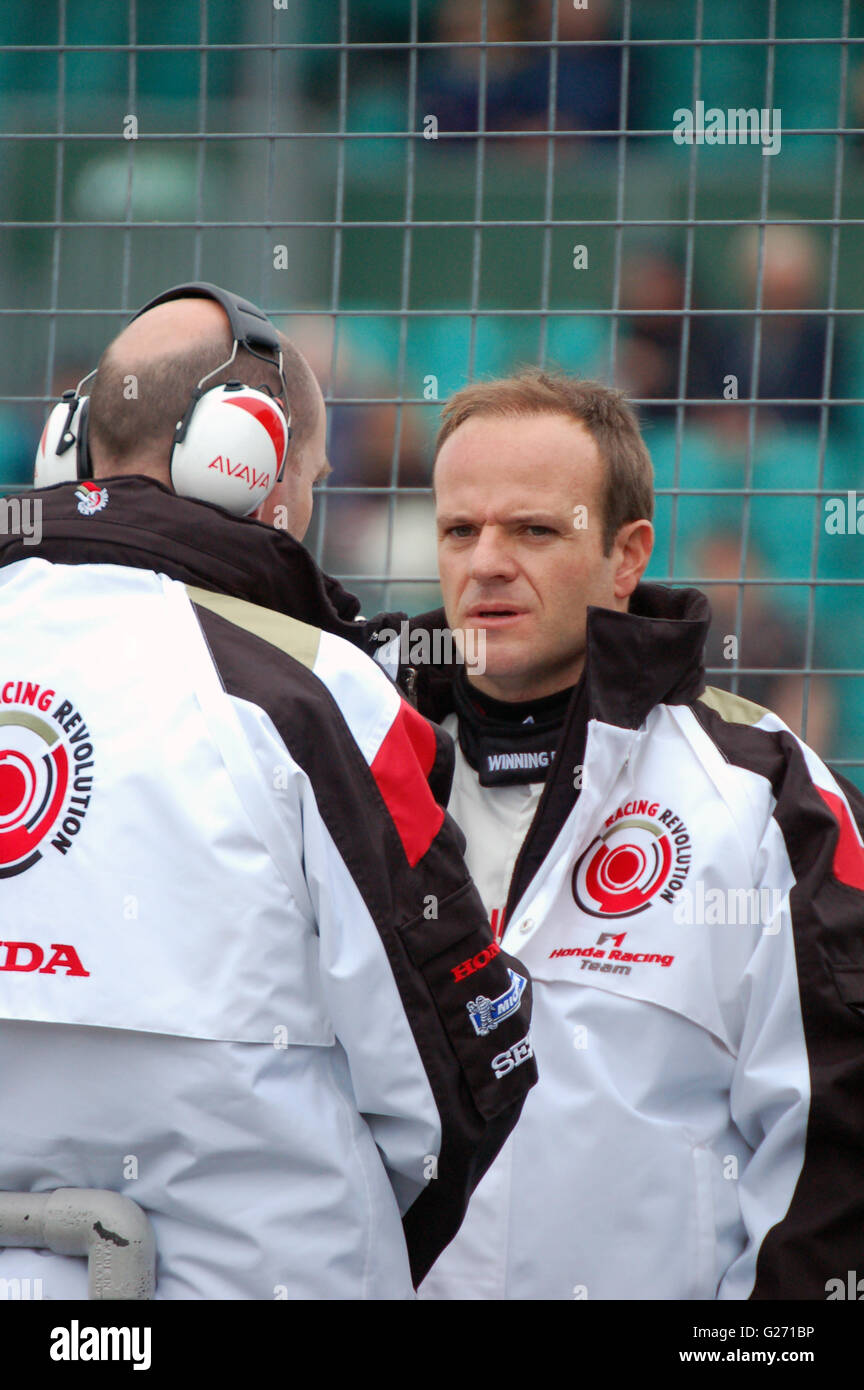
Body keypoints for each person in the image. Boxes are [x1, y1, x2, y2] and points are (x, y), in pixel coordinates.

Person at [0, 283, 536, 1300]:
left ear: (67, 447)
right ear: (243, 463)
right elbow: (458, 1069)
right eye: (312, 479)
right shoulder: (319, 691)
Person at [406, 368, 864, 1300]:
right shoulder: (356, 765)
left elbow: (831, 1141)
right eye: (461, 530)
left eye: (534, 529)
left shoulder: (761, 793)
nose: (486, 562)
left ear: (627, 556)